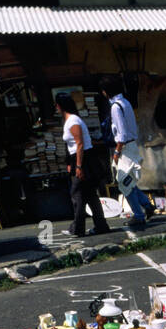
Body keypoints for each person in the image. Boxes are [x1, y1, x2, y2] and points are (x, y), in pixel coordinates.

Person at [101, 77, 154, 229]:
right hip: (131, 146)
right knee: (128, 181)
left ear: (107, 92)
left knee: (124, 183)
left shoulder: (115, 107)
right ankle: (147, 205)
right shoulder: (126, 103)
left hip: (124, 148)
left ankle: (138, 215)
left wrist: (116, 152)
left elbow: (122, 134)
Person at [55, 93, 109, 237]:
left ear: (60, 106)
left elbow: (80, 144)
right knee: (90, 195)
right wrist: (70, 163)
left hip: (84, 159)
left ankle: (77, 228)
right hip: (77, 159)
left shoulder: (73, 120)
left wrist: (78, 166)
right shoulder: (68, 121)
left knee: (77, 194)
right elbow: (71, 145)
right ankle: (101, 225)